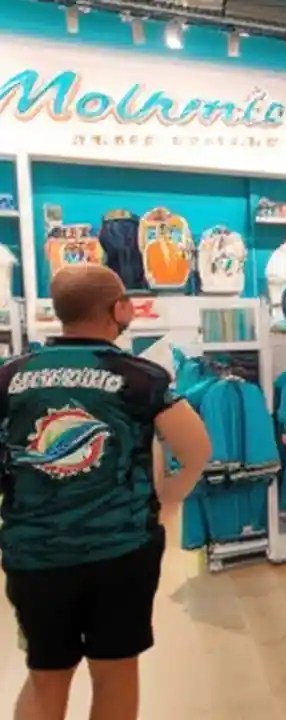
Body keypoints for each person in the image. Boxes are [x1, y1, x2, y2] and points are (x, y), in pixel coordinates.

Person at [0, 265, 211, 720]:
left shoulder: (11, 375)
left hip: (34, 555)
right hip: (120, 551)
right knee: (114, 675)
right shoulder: (139, 377)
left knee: (45, 677)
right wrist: (169, 495)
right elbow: (196, 449)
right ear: (118, 308)